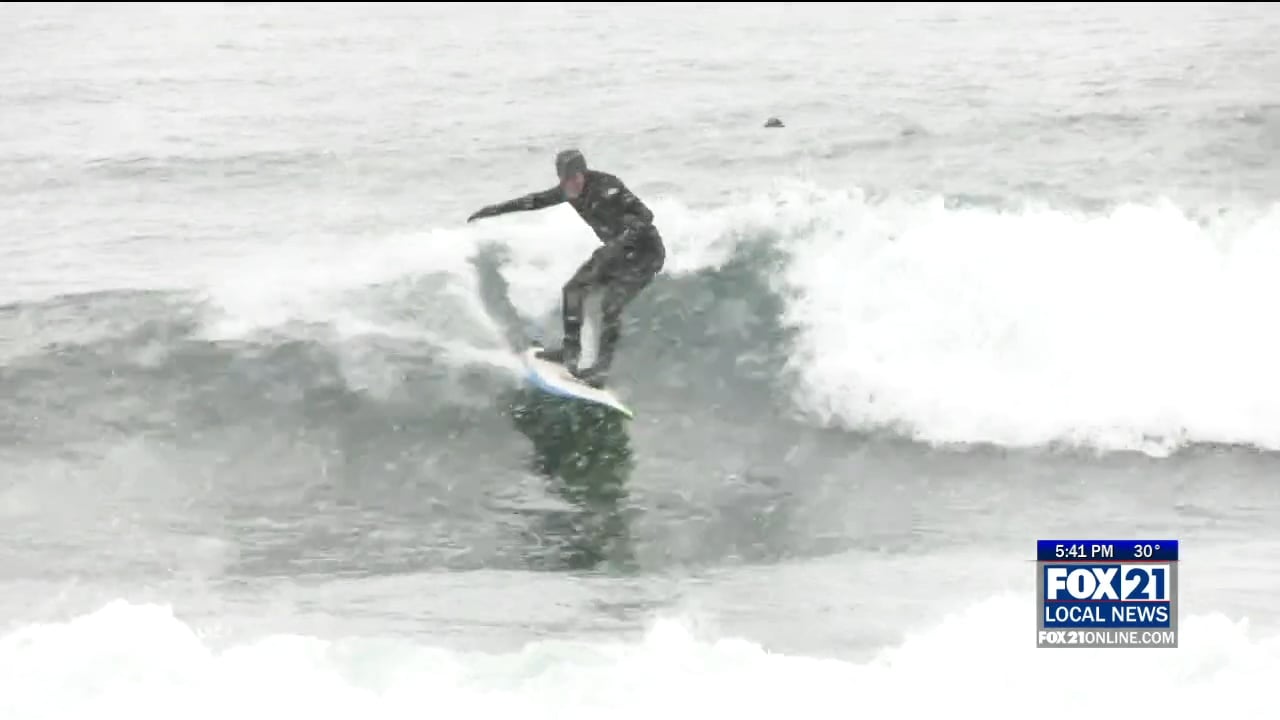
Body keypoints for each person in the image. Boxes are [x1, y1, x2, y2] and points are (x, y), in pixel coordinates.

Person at [466, 149, 665, 388]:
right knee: (572, 290)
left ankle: (600, 371)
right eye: (565, 180)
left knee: (610, 304)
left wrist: (621, 240)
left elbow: (646, 216)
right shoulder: (568, 192)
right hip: (615, 254)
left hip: (646, 254)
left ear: (583, 173)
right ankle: (569, 353)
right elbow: (534, 201)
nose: (571, 185)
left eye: (575, 178)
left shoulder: (607, 187)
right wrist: (493, 210)